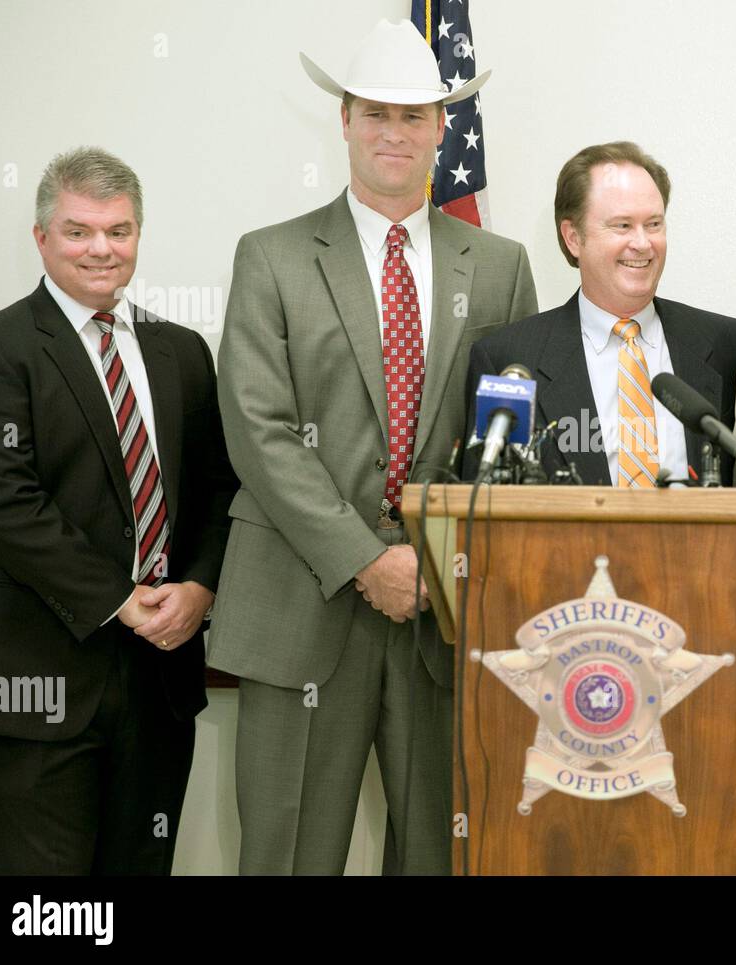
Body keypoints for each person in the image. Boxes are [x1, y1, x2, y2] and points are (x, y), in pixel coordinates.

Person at [207, 18, 537, 875]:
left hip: (445, 608)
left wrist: (436, 560)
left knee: (441, 851)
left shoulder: (498, 266)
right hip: (299, 600)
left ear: (441, 130)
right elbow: (258, 429)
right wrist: (366, 559)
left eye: (414, 116)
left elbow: (507, 437)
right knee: (288, 855)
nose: (395, 132)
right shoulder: (270, 257)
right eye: (376, 114)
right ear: (345, 121)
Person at [0, 147, 235, 874]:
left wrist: (202, 585)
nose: (101, 249)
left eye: (119, 230)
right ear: (42, 237)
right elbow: (0, 504)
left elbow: (217, 489)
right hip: (38, 681)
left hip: (160, 682)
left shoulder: (181, 351)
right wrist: (121, 600)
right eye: (79, 231)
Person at [464, 141, 736, 486]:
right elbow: (484, 509)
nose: (643, 243)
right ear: (573, 238)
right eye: (622, 226)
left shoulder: (727, 346)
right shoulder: (508, 360)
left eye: (654, 224)